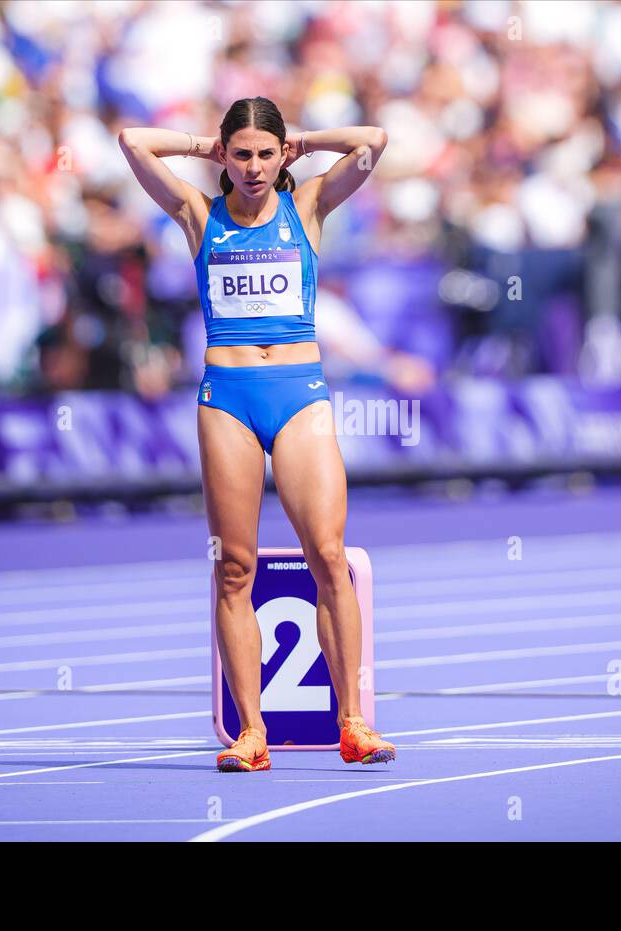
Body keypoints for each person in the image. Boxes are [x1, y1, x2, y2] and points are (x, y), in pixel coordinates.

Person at [119, 97, 395, 772]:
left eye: (265, 154)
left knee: (327, 555)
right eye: (239, 153)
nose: (252, 167)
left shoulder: (309, 209)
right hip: (228, 401)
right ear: (225, 156)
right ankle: (251, 732)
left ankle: (352, 722)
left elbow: (375, 140)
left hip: (299, 395)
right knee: (234, 567)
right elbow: (131, 142)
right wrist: (197, 145)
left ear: (282, 156)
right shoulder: (198, 215)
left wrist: (306, 138)